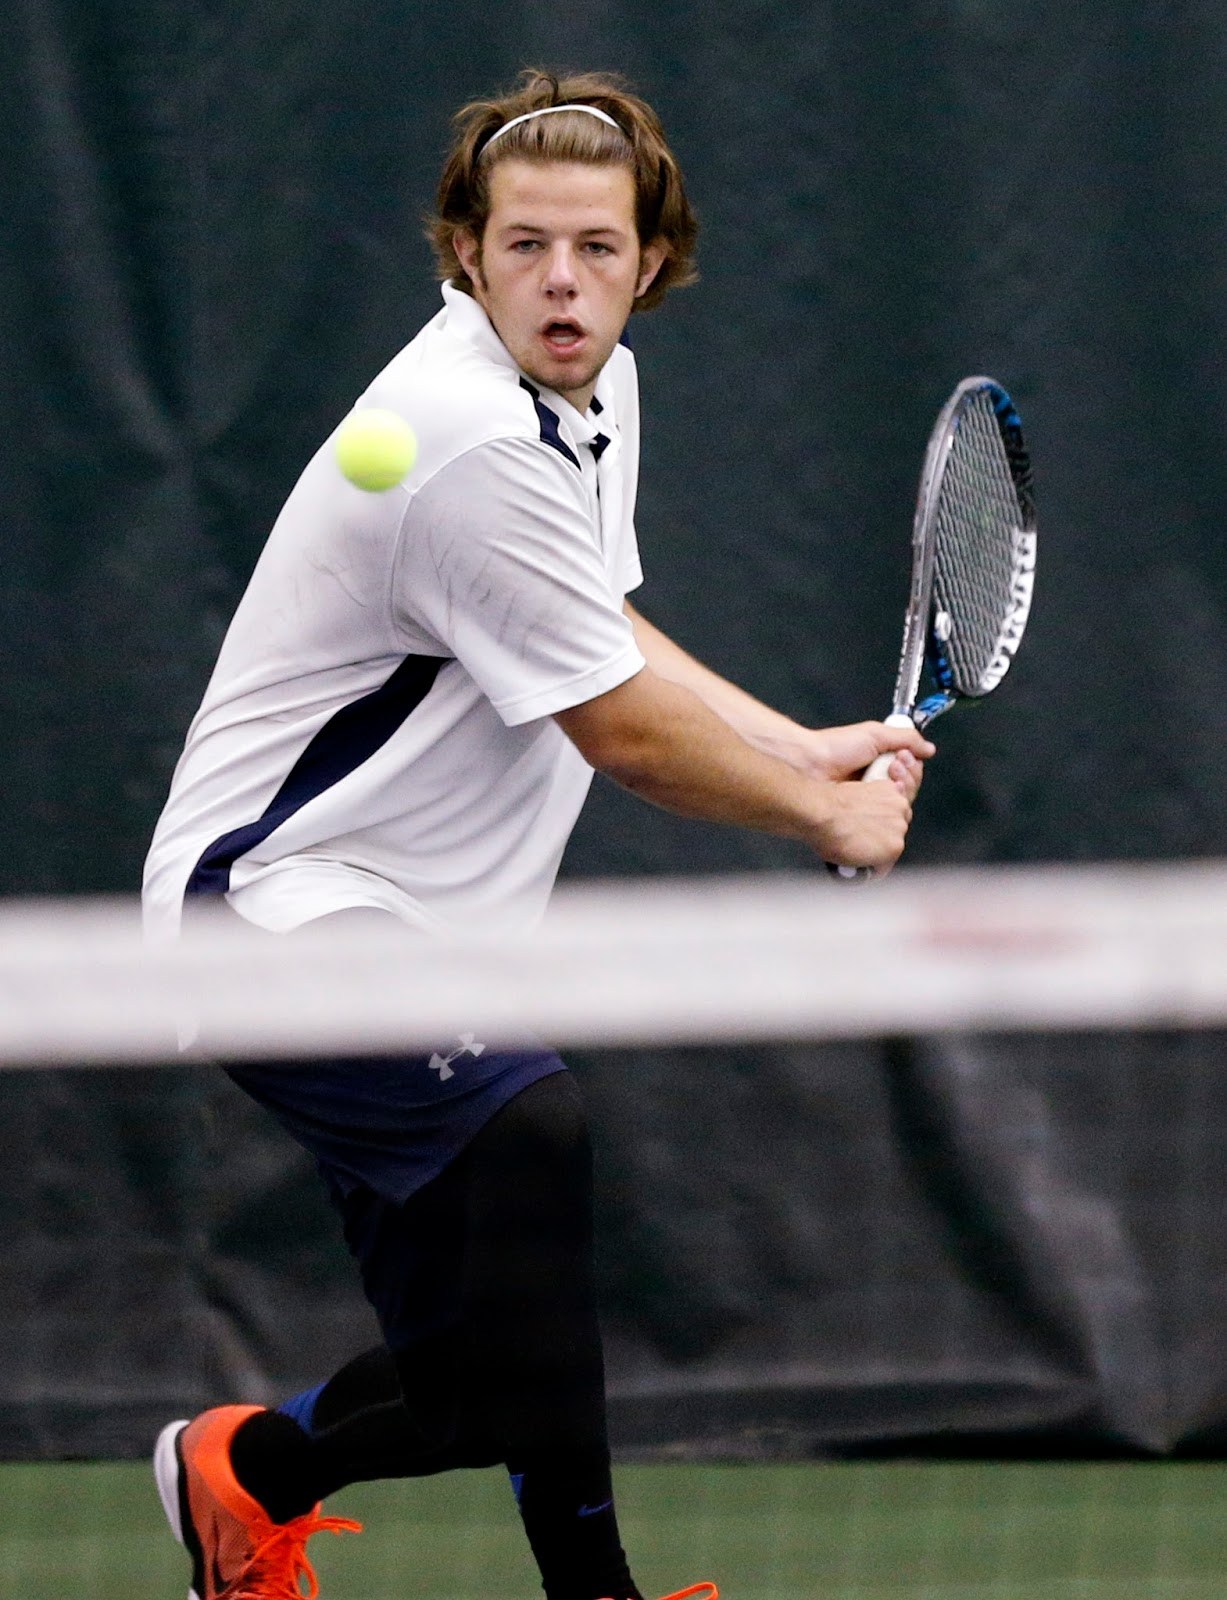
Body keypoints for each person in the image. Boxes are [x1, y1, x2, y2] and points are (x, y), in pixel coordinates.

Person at [142, 68, 934, 1600]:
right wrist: (818, 813)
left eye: (594, 248)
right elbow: (621, 731)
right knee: (531, 1122)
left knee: (475, 1382)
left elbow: (602, 626)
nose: (561, 282)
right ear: (467, 255)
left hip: (424, 937)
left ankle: (247, 1473)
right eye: (524, 247)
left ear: (650, 262)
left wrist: (801, 745)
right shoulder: (466, 438)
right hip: (272, 908)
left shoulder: (593, 393)